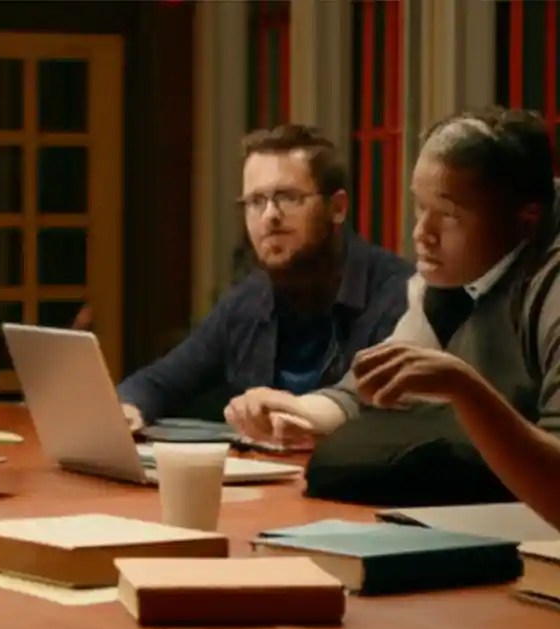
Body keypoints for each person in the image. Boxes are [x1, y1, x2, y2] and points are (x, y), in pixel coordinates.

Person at [227, 108, 560, 520]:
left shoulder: (550, 284)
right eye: (420, 207)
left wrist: (466, 391)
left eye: (448, 215)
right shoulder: (453, 272)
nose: (422, 233)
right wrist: (299, 413)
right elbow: (377, 382)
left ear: (526, 218)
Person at [115, 124, 413, 430]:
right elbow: (161, 381)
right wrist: (129, 408)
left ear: (337, 208)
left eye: (288, 197)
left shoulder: (399, 294)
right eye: (256, 201)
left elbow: (385, 417)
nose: (270, 216)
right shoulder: (247, 300)